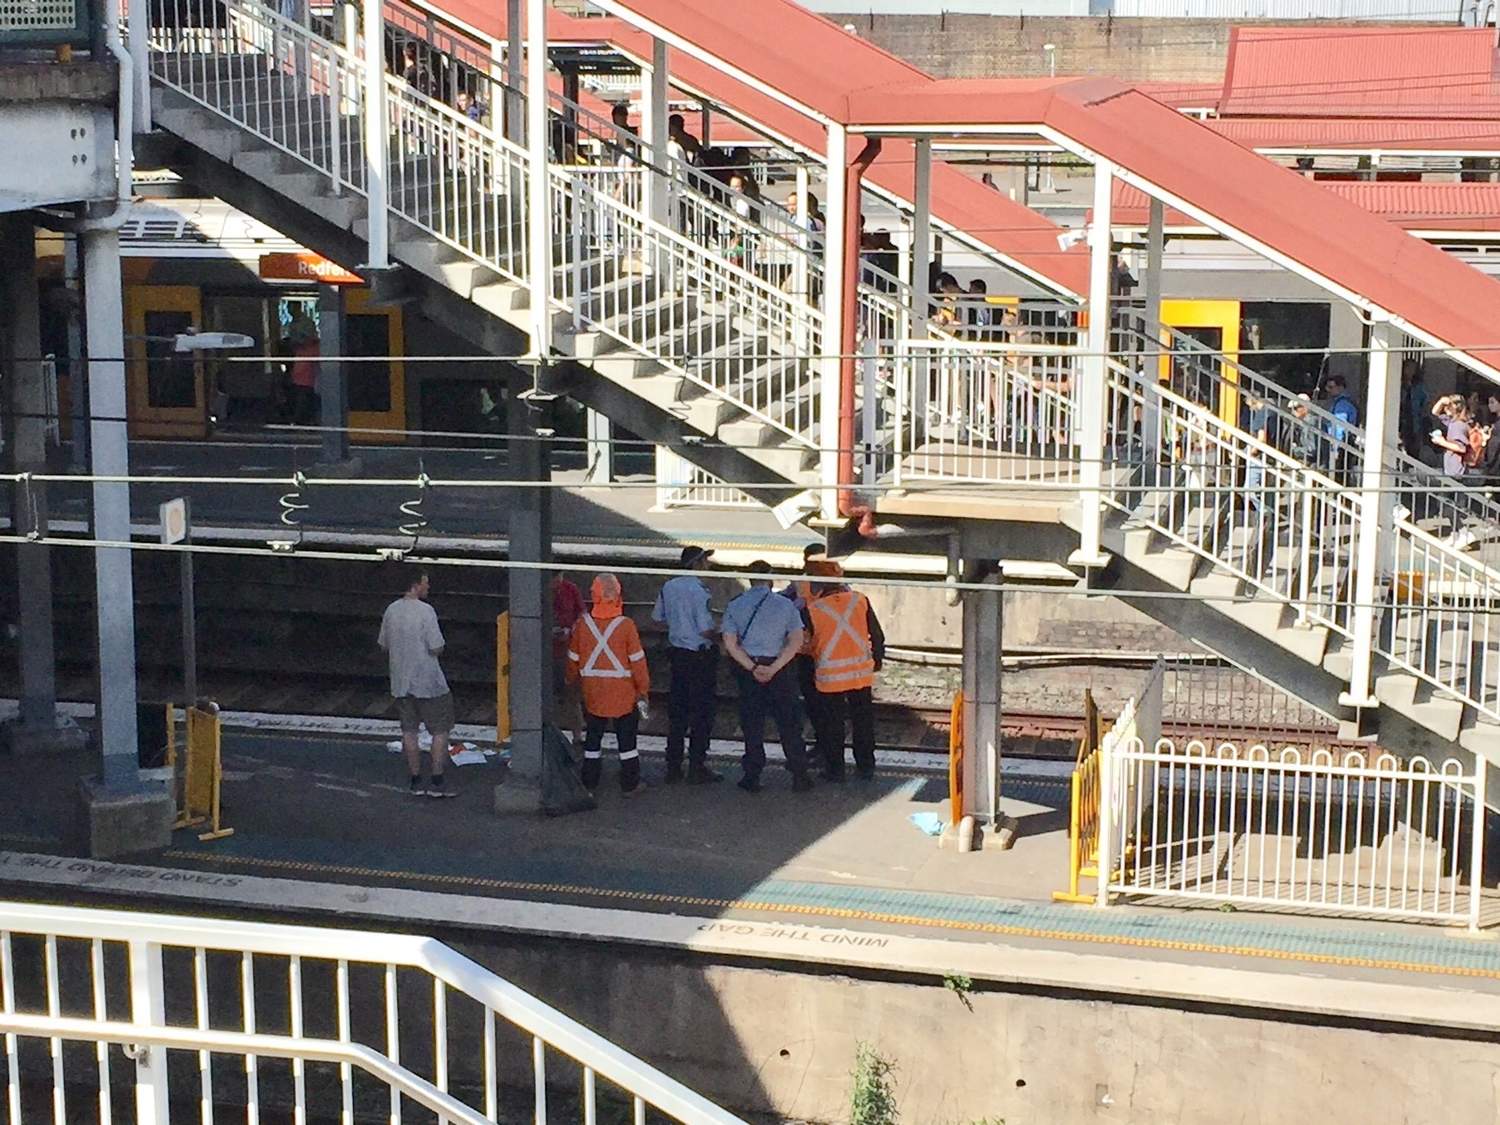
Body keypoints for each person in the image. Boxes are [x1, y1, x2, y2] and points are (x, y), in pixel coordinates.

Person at [722, 561, 814, 794]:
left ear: (750, 579)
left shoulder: (735, 605)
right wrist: (775, 667)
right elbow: (796, 640)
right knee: (789, 724)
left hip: (749, 671)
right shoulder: (785, 605)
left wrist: (752, 667)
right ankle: (799, 775)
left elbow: (730, 643)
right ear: (770, 578)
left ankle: (752, 775)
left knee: (752, 724)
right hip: (780, 670)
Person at [567, 575, 650, 795]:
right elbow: (638, 662)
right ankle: (630, 783)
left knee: (593, 739)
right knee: (627, 741)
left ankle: (589, 782)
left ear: (593, 596)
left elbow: (573, 659)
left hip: (593, 692)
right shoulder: (626, 625)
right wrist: (643, 690)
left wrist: (571, 681)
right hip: (623, 693)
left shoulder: (582, 625)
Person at [804, 560, 885, 782]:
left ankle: (835, 771)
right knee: (863, 722)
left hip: (830, 678)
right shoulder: (860, 600)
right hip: (860, 674)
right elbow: (877, 635)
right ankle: (866, 767)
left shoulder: (812, 610)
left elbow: (805, 644)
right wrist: (877, 660)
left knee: (833, 725)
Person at [378, 570, 456, 798]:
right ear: (416, 585)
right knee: (440, 730)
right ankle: (437, 779)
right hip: (429, 682)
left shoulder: (391, 609)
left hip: (401, 682)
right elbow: (436, 647)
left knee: (409, 731)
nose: (428, 586)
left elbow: (383, 644)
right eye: (425, 582)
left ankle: (415, 780)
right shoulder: (426, 611)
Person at [652, 546, 721, 784]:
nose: (708, 565)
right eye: (705, 561)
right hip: (699, 657)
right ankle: (696, 766)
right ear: (697, 563)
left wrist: (679, 628)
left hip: (677, 655)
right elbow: (705, 628)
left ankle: (673, 767)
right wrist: (722, 635)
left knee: (678, 713)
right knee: (702, 713)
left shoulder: (668, 587)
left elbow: (657, 619)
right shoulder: (699, 591)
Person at [552, 573, 585, 747]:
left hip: (568, 651)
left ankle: (577, 736)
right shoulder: (538, 591)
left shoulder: (570, 589)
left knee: (572, 695)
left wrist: (571, 630)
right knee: (550, 695)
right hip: (547, 651)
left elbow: (582, 615)